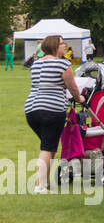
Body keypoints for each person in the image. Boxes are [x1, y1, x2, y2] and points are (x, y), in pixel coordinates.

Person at [24, 35, 82, 194]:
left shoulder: (35, 64)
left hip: (31, 110)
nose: (65, 47)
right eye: (62, 44)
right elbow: (73, 87)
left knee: (49, 146)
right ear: (55, 47)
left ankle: (45, 182)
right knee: (47, 147)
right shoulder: (63, 64)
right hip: (52, 109)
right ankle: (39, 185)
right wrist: (80, 98)